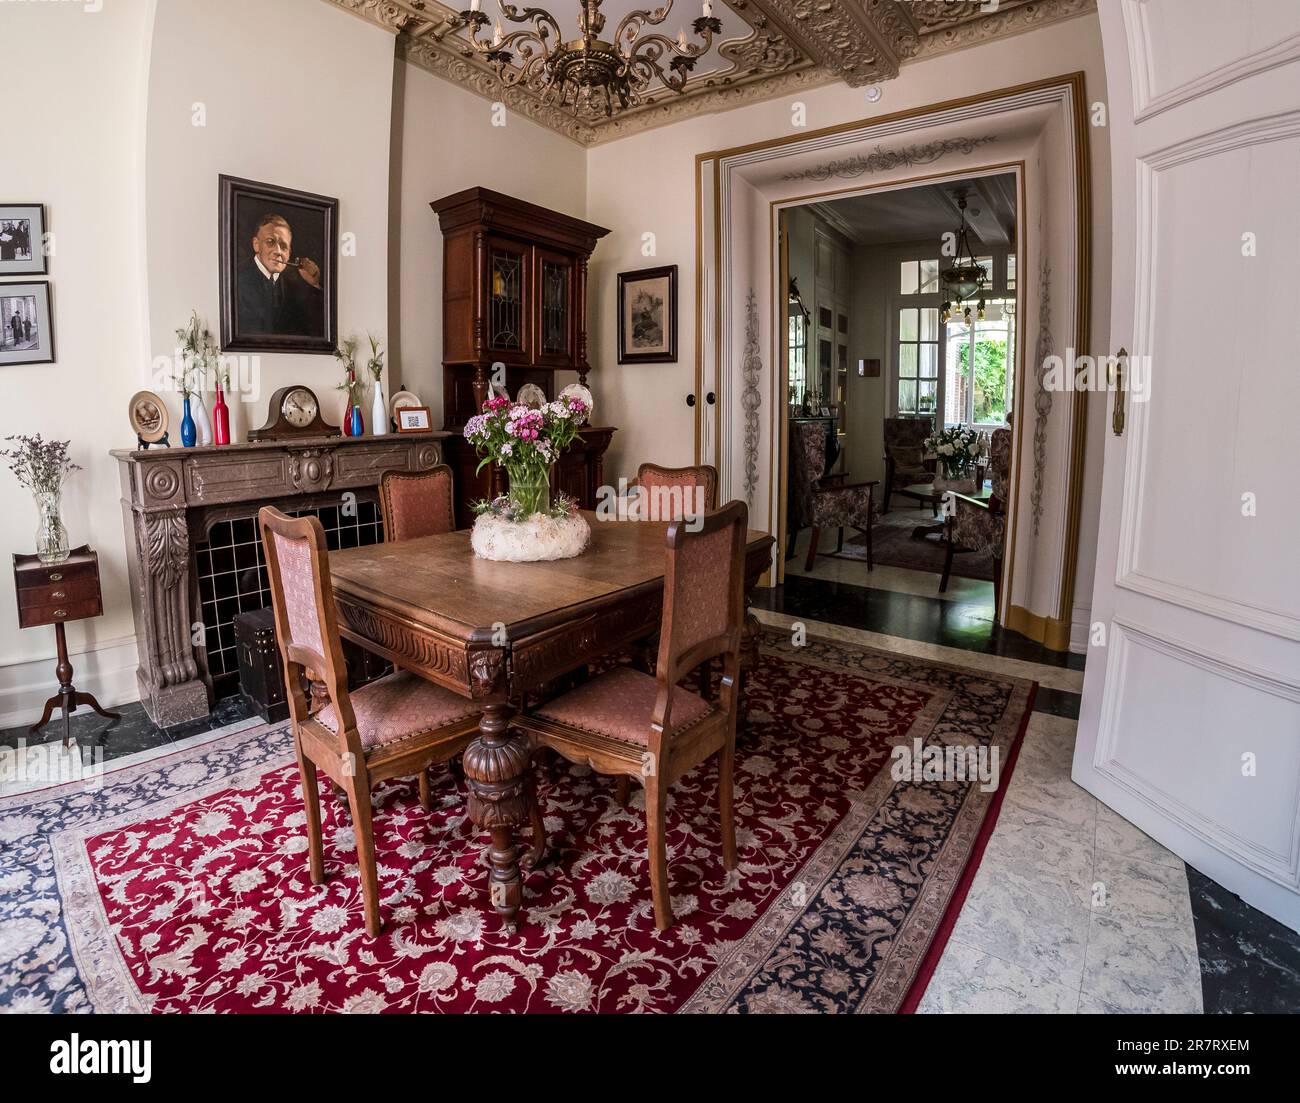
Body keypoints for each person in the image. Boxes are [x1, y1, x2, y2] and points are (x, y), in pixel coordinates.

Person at [235, 212, 323, 336]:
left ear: (289, 252)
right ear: (256, 245)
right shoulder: (236, 279)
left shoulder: (297, 284)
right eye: (270, 242)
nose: (278, 251)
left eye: (283, 246)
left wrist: (314, 285)